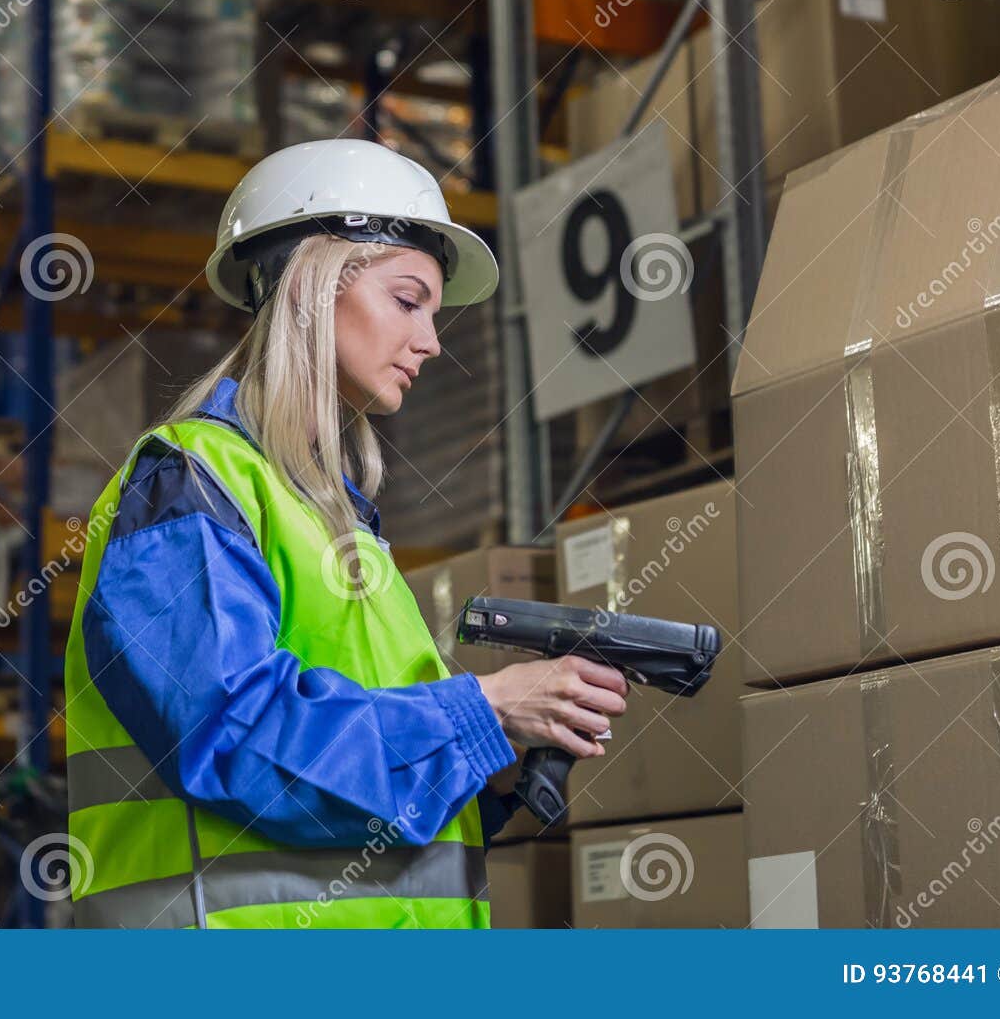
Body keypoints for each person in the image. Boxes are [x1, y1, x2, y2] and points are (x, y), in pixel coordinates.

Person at [63, 139, 629, 928]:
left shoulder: (339, 522)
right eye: (408, 300)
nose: (432, 340)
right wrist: (481, 713)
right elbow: (233, 737)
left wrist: (485, 771)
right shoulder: (191, 484)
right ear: (312, 288)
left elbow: (363, 808)